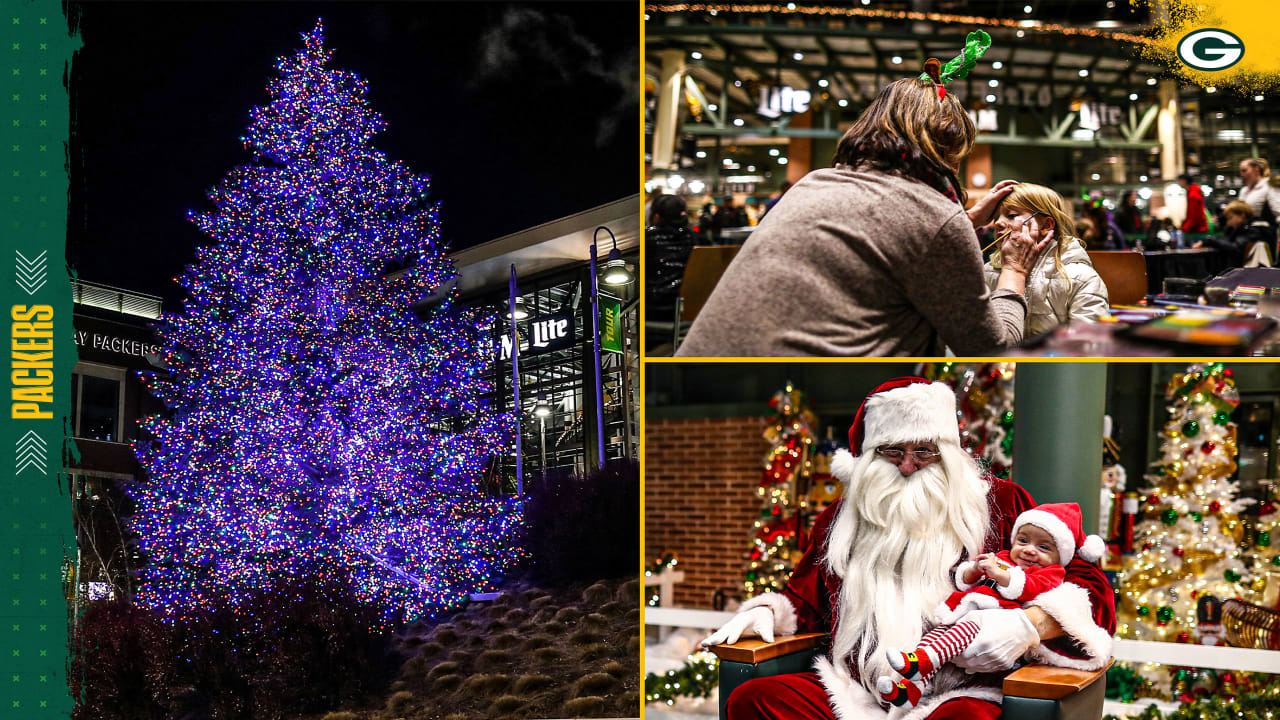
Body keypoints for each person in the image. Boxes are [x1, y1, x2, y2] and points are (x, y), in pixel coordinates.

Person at [702, 378, 1115, 720]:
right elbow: (803, 599)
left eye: (924, 452)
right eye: (892, 452)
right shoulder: (840, 519)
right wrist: (766, 611)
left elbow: (1090, 587)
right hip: (857, 691)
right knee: (755, 700)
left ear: (948, 453)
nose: (907, 466)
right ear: (870, 456)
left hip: (962, 691)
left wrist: (1032, 624)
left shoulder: (1003, 504)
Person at [674, 73, 1051, 357]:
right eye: (958, 156)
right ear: (945, 149)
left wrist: (961, 223)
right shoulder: (933, 215)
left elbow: (890, 243)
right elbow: (993, 352)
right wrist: (1015, 270)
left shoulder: (814, 181)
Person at [878, 502, 1107, 709]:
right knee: (934, 636)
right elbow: (966, 580)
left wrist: (1001, 575)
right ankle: (910, 690)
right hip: (966, 611)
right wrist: (974, 570)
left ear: (1060, 556)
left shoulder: (1052, 572)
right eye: (1023, 541)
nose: (1029, 550)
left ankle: (925, 661)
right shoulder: (1004, 556)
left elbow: (1032, 587)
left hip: (994, 620)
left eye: (1044, 547)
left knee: (958, 633)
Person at [984, 184, 1109, 336]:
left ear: (1047, 225)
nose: (997, 223)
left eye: (1011, 215)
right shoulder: (986, 272)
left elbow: (1088, 342)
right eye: (996, 217)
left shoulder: (1081, 278)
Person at [646, 194, 697, 326]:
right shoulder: (690, 237)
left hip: (653, 309)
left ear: (656, 216)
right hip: (686, 308)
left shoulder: (647, 237)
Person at [1193, 199, 1273, 267]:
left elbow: (1235, 248)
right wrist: (1207, 241)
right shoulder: (1239, 229)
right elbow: (1226, 241)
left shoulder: (1254, 229)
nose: (1229, 223)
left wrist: (1210, 240)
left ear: (1242, 215)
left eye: (1230, 218)